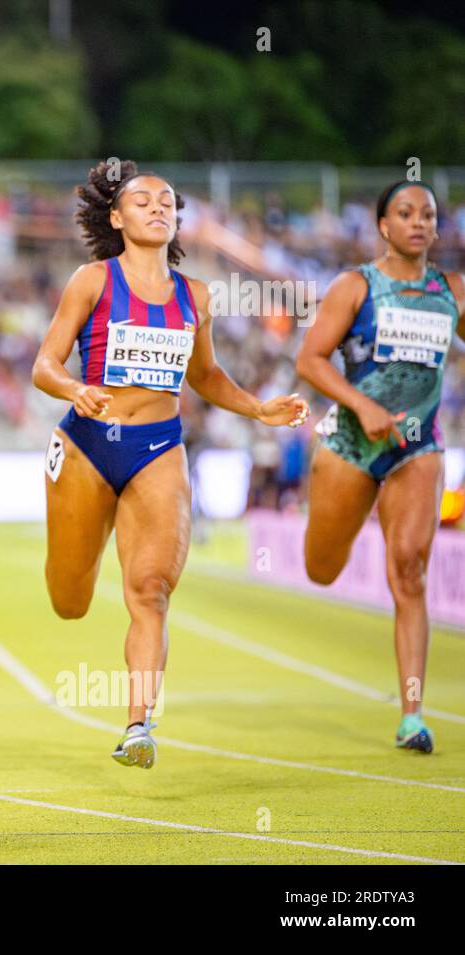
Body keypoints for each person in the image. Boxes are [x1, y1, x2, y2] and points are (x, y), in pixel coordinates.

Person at [31, 160, 309, 769]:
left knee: (151, 590)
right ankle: (73, 578)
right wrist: (74, 389)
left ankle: (137, 727)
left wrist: (258, 408)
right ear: (116, 216)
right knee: (69, 599)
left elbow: (205, 376)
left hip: (159, 447)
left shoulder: (196, 296)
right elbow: (44, 365)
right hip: (85, 444)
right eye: (142, 200)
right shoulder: (92, 281)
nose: (158, 207)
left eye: (168, 200)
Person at [297, 181, 465, 753]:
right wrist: (363, 405)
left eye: (428, 215)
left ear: (437, 229)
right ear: (383, 227)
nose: (417, 222)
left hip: (417, 446)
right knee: (321, 568)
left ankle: (412, 715)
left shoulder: (451, 292)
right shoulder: (356, 287)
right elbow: (310, 359)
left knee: (410, 569)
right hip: (349, 446)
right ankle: (337, 523)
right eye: (404, 213)